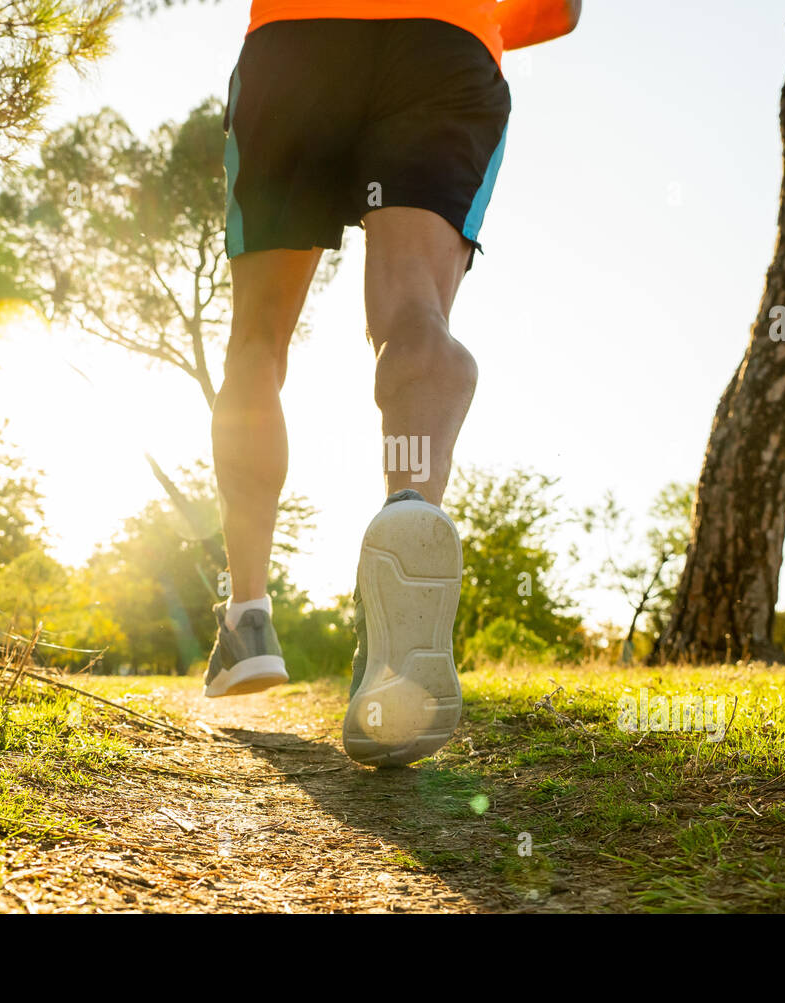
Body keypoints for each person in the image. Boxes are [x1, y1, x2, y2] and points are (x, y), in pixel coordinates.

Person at [204, 0, 582, 767]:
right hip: (445, 39)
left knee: (256, 343)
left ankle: (246, 617)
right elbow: (562, 8)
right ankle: (407, 526)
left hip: (296, 42)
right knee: (413, 316)